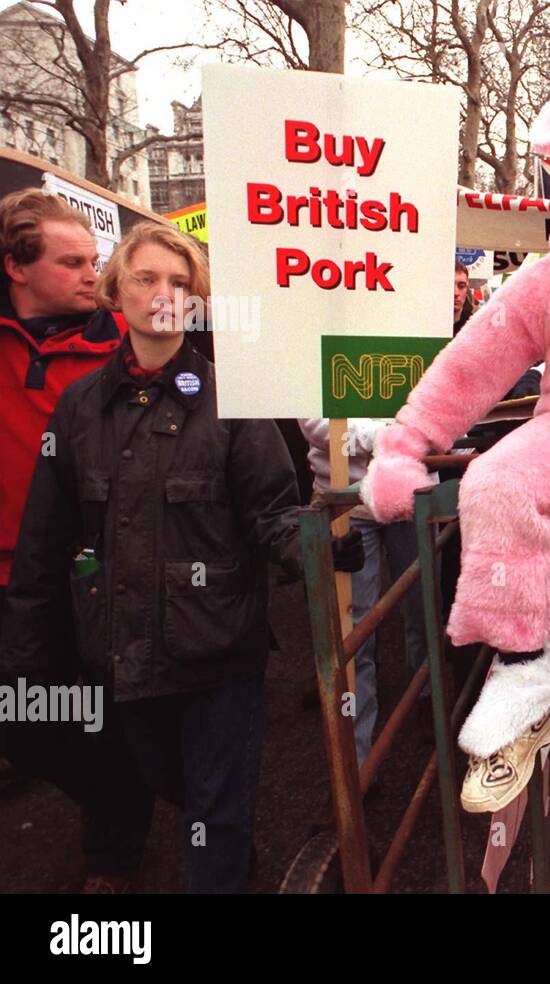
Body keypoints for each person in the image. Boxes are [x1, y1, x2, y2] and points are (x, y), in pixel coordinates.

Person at [2, 222, 363, 892]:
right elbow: (46, 540)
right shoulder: (80, 406)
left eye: (180, 282)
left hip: (218, 649)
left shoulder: (235, 398)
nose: (164, 294)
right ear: (117, 292)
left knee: (218, 810)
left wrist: (317, 548)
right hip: (119, 650)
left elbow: (271, 513)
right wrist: (25, 654)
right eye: (146, 278)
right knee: (165, 782)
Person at [0, 188, 141, 892]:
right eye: (72, 262)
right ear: (17, 268)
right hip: (6, 576)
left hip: (90, 569)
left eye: (94, 260)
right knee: (22, 718)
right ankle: (125, 797)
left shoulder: (120, 345)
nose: (93, 275)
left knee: (97, 713)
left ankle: (114, 850)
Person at [298, 417, 429, 766]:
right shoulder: (316, 358)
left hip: (413, 492)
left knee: (423, 610)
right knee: (354, 632)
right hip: (346, 497)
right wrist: (385, 436)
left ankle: (428, 700)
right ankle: (356, 765)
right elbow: (312, 419)